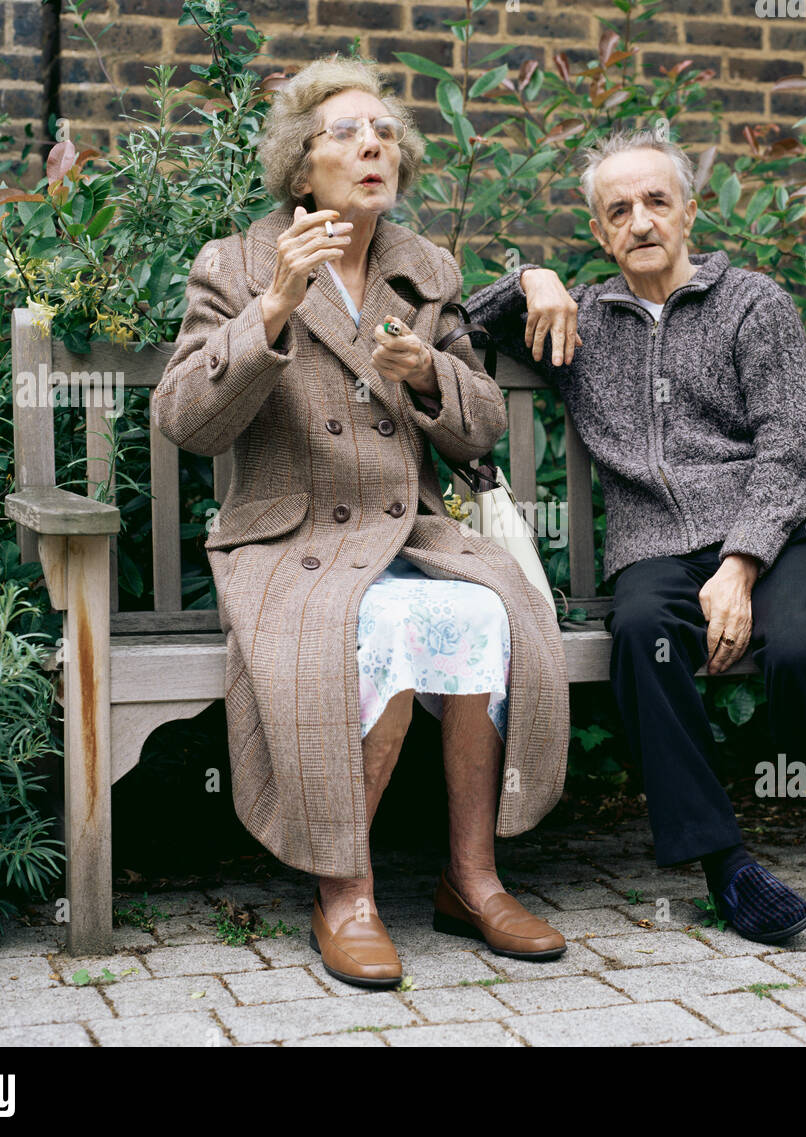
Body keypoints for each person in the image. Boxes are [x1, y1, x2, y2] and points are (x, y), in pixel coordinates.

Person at [466, 129, 806, 944]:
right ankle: (725, 866)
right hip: (654, 546)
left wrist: (739, 565)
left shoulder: (753, 303)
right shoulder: (578, 318)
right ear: (599, 232)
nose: (641, 221)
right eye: (618, 209)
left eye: (657, 201)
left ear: (689, 211)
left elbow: (791, 448)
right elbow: (454, 326)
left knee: (798, 650)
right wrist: (531, 278)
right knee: (640, 632)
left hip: (778, 532)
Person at [153, 57, 570, 988]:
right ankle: (345, 892)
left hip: (409, 530)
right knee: (375, 622)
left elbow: (484, 426)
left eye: (383, 132)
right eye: (344, 132)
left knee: (484, 614)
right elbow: (185, 418)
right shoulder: (238, 264)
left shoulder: (426, 272)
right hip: (289, 538)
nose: (372, 144)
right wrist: (272, 311)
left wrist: (429, 372)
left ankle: (472, 878)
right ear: (302, 171)